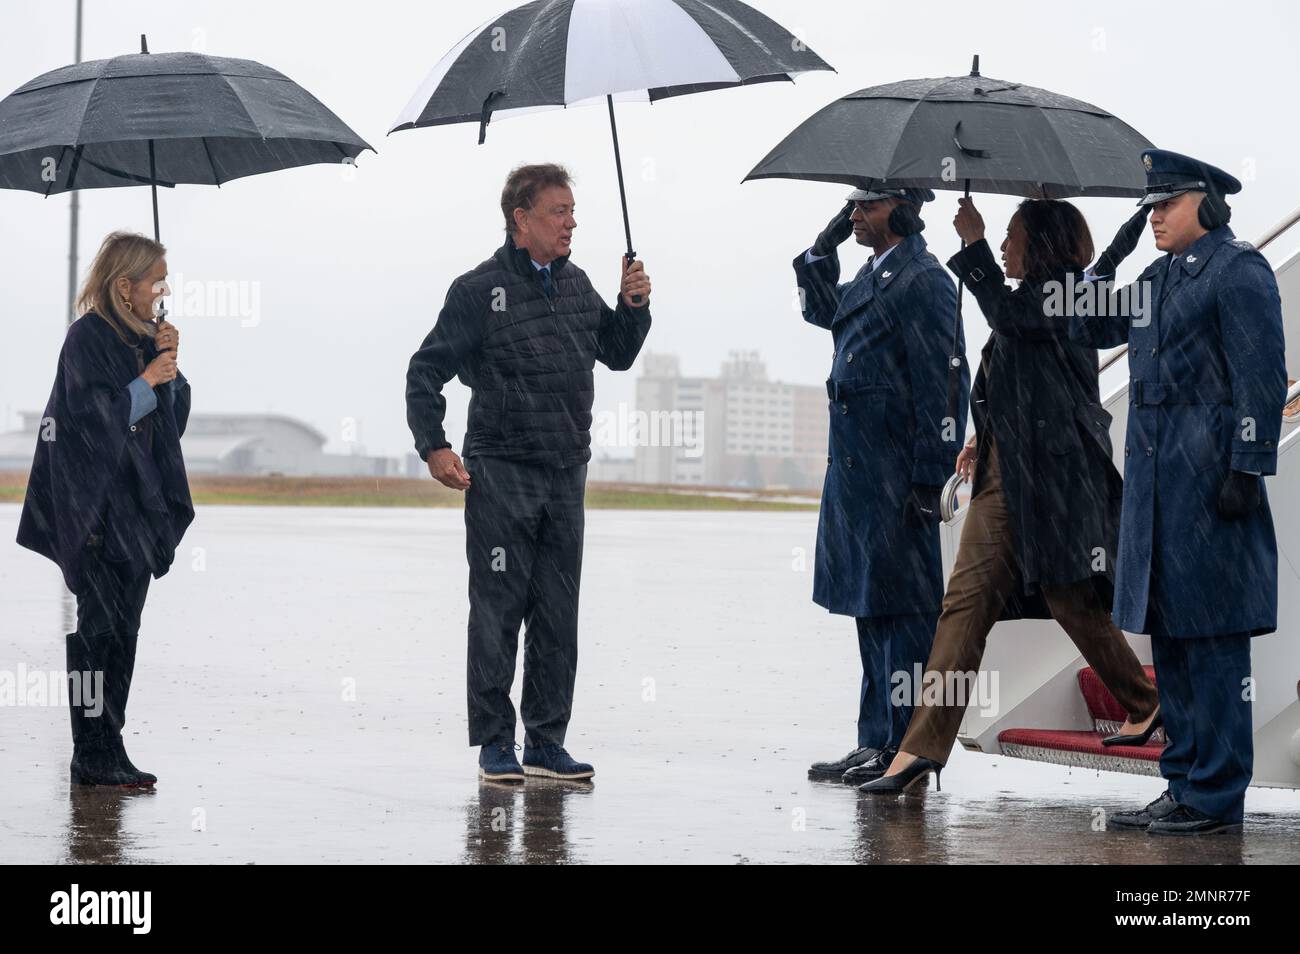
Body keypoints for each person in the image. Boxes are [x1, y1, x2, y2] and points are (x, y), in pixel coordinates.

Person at [859, 197, 1161, 796]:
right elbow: (1017, 365)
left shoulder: (1066, 293)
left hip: (1056, 481)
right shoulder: (1035, 297)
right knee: (963, 606)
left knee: (1071, 598)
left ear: (1042, 243)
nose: (1001, 245)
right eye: (995, 237)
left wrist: (970, 246)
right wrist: (983, 432)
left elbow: (1011, 317)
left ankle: (1144, 700)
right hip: (1004, 474)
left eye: (1009, 235)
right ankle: (917, 751)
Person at [406, 163, 652, 784]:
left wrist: (633, 306)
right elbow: (424, 371)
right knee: (497, 610)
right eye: (559, 212)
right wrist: (433, 447)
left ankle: (546, 742)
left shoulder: (577, 285)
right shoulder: (476, 290)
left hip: (567, 470)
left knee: (557, 612)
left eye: (573, 212)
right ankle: (495, 744)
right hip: (501, 472)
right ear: (521, 219)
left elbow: (617, 354)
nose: (572, 222)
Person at [1069, 149, 1285, 835]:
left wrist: (1246, 470)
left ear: (1208, 203)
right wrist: (1118, 247)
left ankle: (1215, 797)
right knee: (1174, 645)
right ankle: (1183, 784)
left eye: (1164, 204)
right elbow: (1085, 320)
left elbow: (1262, 376)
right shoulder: (1156, 278)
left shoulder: (1239, 271)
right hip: (1158, 500)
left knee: (1215, 650)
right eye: (1148, 206)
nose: (1154, 215)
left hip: (1213, 493)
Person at [794, 188, 969, 784]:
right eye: (852, 206)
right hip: (859, 473)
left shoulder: (925, 280)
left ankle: (904, 744)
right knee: (871, 609)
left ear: (901, 208)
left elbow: (945, 387)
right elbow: (823, 310)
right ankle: (874, 739)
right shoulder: (878, 273)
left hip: (899, 476)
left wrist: (931, 476)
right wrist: (823, 249)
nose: (855, 215)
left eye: (866, 206)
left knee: (906, 616)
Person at [18, 231, 193, 787]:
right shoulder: (87, 339)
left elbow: (171, 425)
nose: (162, 291)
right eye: (155, 280)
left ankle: (110, 745)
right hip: (95, 511)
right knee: (97, 631)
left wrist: (168, 363)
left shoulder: (143, 340)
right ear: (124, 286)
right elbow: (90, 422)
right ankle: (88, 752)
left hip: (138, 511)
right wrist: (145, 380)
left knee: (126, 631)